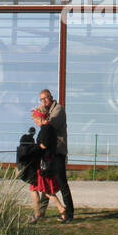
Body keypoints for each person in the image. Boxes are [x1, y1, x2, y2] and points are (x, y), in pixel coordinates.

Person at [39, 89, 75, 221]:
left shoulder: (58, 109)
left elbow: (49, 125)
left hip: (58, 151)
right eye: (41, 100)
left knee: (62, 182)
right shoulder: (46, 110)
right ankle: (40, 212)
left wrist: (40, 118)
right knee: (45, 182)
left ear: (51, 97)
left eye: (45, 99)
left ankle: (69, 213)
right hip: (49, 152)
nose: (43, 102)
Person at [28, 108, 66, 223]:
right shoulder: (49, 128)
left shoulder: (46, 129)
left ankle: (61, 210)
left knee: (46, 190)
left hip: (44, 163)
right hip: (46, 162)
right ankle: (38, 214)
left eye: (35, 119)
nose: (35, 122)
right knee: (38, 189)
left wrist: (32, 149)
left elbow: (43, 145)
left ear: (40, 117)